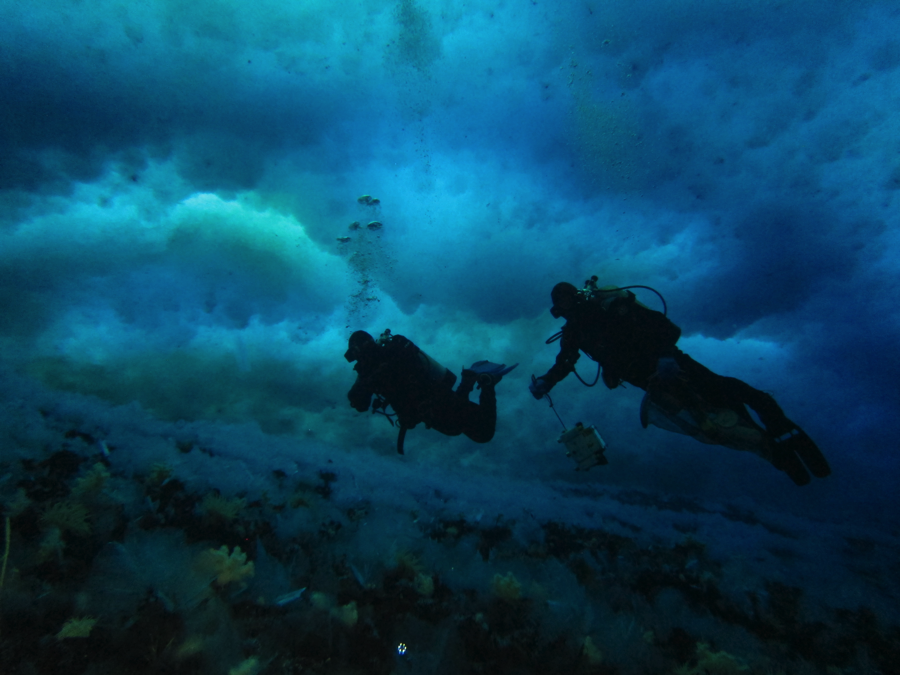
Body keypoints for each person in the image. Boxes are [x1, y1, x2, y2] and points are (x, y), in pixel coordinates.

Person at [529, 278, 831, 485]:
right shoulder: (573, 332)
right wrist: (546, 381)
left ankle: (783, 431)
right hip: (652, 385)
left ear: (579, 297)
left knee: (730, 394)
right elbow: (566, 362)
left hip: (674, 368)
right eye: (562, 306)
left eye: (569, 301)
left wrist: (666, 357)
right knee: (711, 425)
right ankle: (780, 456)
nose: (567, 309)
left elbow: (665, 328)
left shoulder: (612, 308)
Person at [345, 329, 517, 454]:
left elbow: (403, 357)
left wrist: (370, 377)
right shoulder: (369, 371)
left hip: (435, 404)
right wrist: (365, 379)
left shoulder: (390, 352)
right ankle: (471, 380)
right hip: (433, 405)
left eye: (358, 350)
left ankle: (484, 382)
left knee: (483, 434)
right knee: (463, 425)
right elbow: (360, 404)